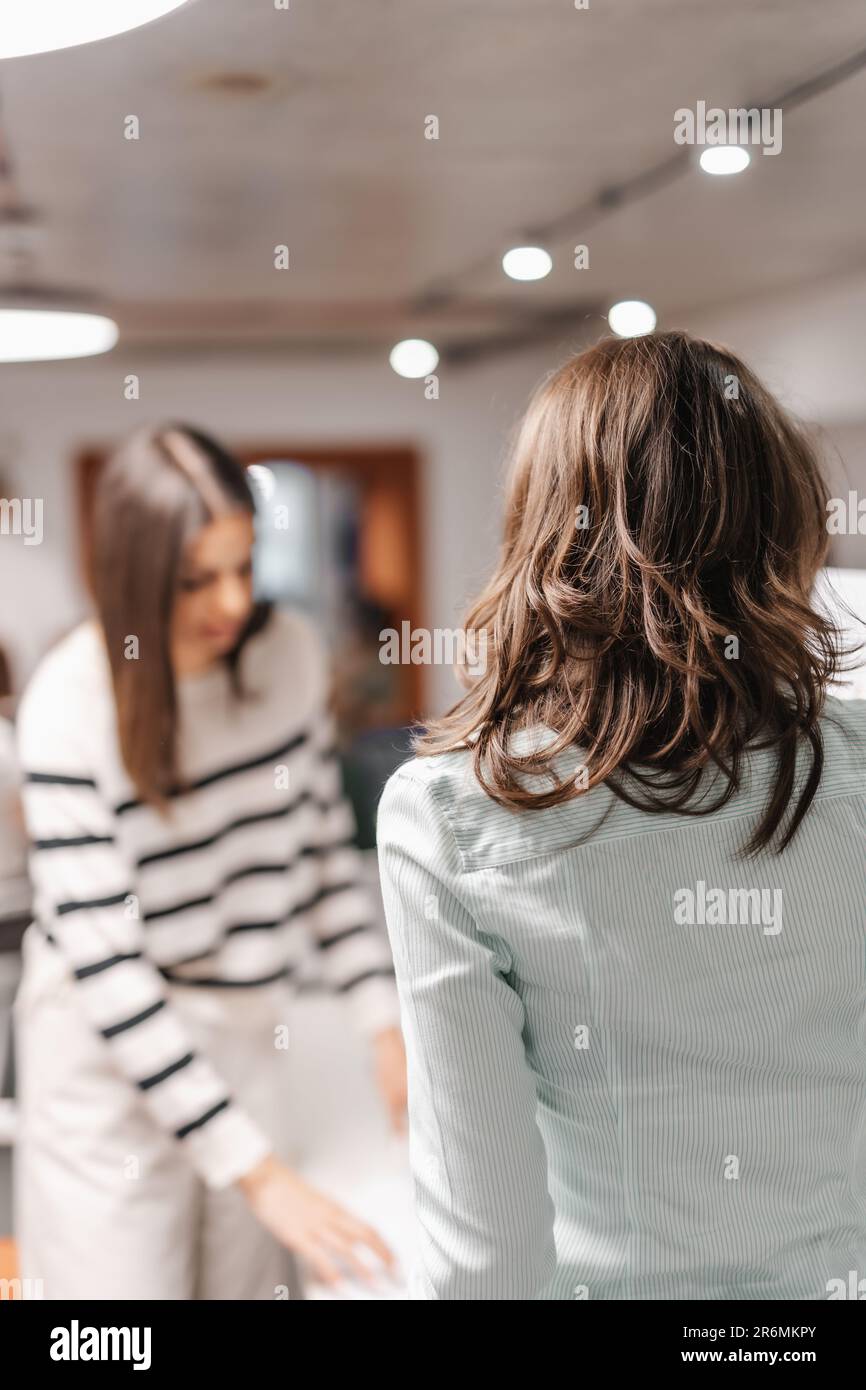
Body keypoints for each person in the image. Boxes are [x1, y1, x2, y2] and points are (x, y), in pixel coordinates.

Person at [376, 330, 866, 1301]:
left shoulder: (451, 816)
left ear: (545, 531)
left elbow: (484, 1261)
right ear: (782, 525)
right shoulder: (848, 774)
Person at [13, 424, 407, 1300]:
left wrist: (384, 1022)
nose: (232, 601)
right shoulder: (70, 703)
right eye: (197, 580)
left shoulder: (288, 658)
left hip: (242, 1033)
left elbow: (316, 859)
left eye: (245, 565)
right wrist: (259, 1174)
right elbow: (107, 967)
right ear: (135, 577)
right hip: (107, 1064)